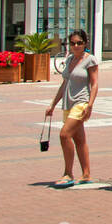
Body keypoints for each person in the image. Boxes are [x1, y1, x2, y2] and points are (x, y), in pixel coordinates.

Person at [44, 29, 99, 187]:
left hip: (81, 102)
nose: (76, 46)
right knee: (79, 139)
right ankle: (86, 174)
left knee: (64, 135)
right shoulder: (69, 60)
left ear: (85, 43)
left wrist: (90, 105)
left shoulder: (90, 60)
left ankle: (68, 174)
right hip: (68, 102)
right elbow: (64, 84)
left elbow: (94, 84)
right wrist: (52, 105)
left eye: (79, 43)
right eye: (73, 43)